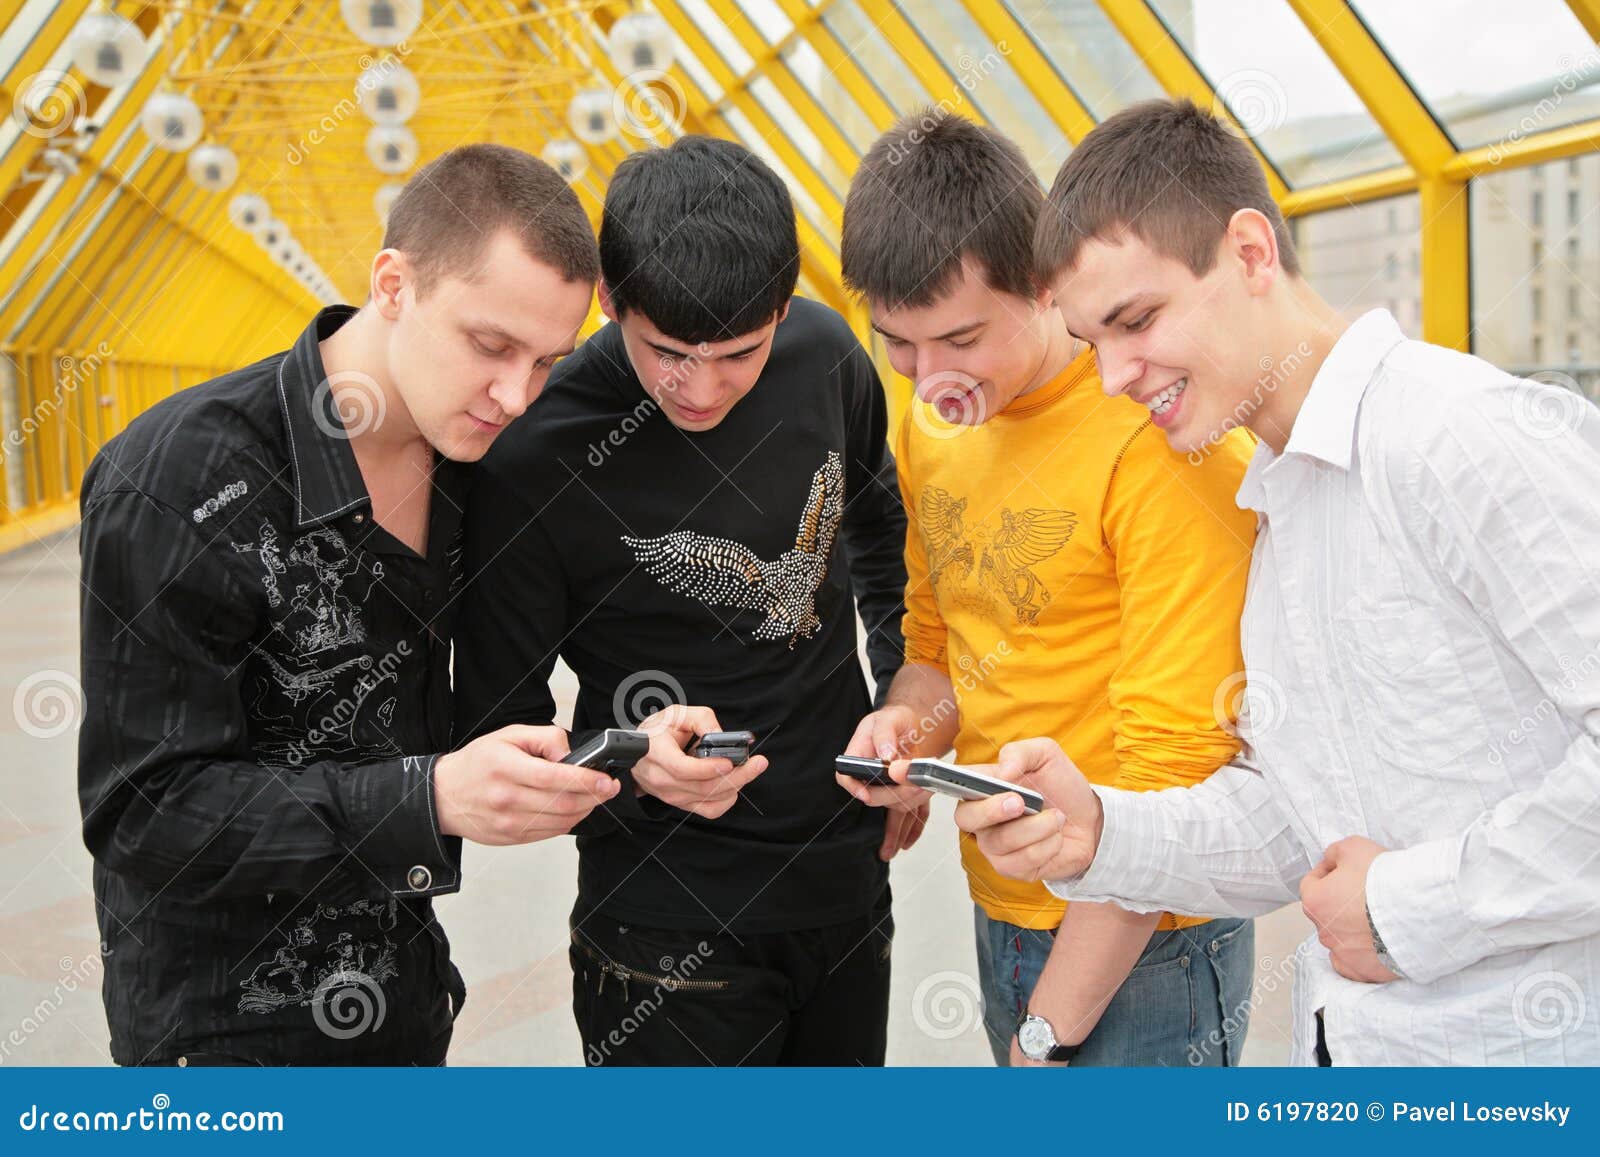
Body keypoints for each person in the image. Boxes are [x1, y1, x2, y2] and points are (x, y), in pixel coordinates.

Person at [951, 98, 1600, 1065]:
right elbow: (1305, 817)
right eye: (1093, 343)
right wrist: (1100, 829)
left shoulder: (1464, 437)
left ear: (1252, 253)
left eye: (1138, 320)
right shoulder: (1280, 501)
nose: (1116, 377)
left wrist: (1407, 906)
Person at [77, 144, 606, 1066]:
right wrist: (425, 796)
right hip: (223, 1039)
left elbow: (489, 709)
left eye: (547, 361)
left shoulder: (477, 468)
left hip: (404, 1003)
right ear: (392, 284)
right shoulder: (178, 479)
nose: (518, 394)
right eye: (491, 345)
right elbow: (143, 812)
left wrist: (630, 751)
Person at [453, 135, 909, 1066]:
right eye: (666, 353)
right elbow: (502, 726)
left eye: (740, 353)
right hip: (663, 924)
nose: (700, 388)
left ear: (784, 307)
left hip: (845, 876)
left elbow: (880, 534)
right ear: (610, 303)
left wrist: (903, 702)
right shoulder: (533, 454)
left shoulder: (827, 356)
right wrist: (631, 768)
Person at [835, 109, 1259, 1066]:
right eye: (897, 344)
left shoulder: (1163, 441)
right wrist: (908, 731)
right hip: (1007, 905)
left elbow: (1175, 778)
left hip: (1152, 936)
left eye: (960, 338)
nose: (931, 376)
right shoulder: (931, 421)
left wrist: (1046, 1032)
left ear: (1042, 282)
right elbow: (937, 641)